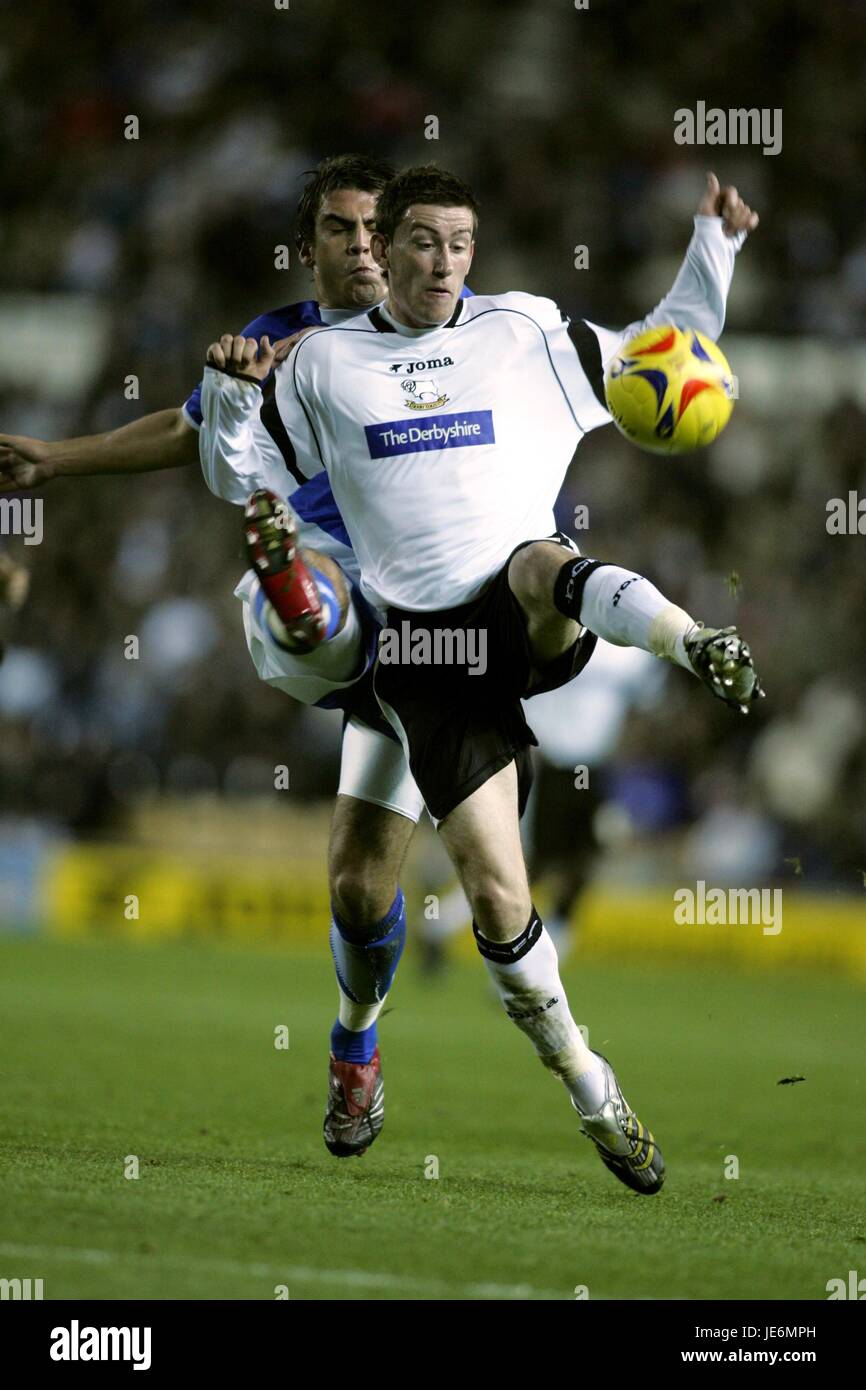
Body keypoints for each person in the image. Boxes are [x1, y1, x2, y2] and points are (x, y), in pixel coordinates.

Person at [199, 164, 762, 1194]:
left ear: (474, 248)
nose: (438, 261)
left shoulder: (524, 330)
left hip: (524, 616)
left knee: (540, 558)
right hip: (419, 656)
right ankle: (567, 1078)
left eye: (458, 242)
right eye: (418, 241)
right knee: (456, 897)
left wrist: (713, 247)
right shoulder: (322, 364)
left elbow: (663, 349)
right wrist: (235, 409)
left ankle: (690, 639)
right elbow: (244, 477)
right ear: (386, 249)